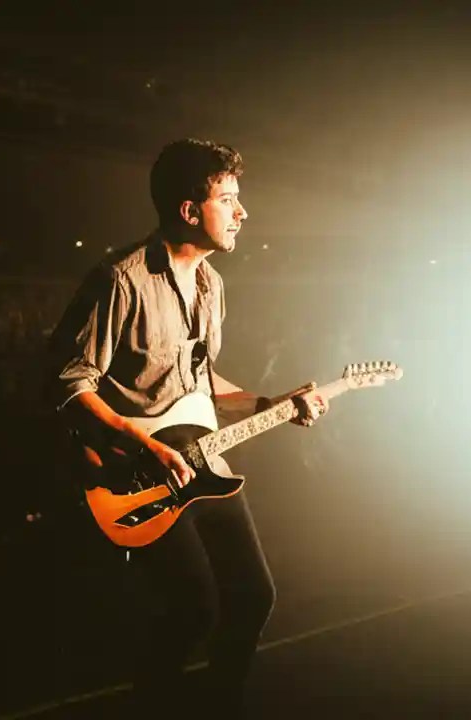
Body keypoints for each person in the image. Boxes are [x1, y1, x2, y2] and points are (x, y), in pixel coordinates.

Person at [45, 138, 327, 715]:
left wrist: (268, 402)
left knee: (252, 597)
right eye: (228, 199)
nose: (243, 213)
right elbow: (69, 382)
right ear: (188, 210)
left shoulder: (211, 285)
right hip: (141, 473)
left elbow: (199, 383)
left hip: (204, 463)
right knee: (194, 607)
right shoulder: (120, 280)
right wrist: (141, 442)